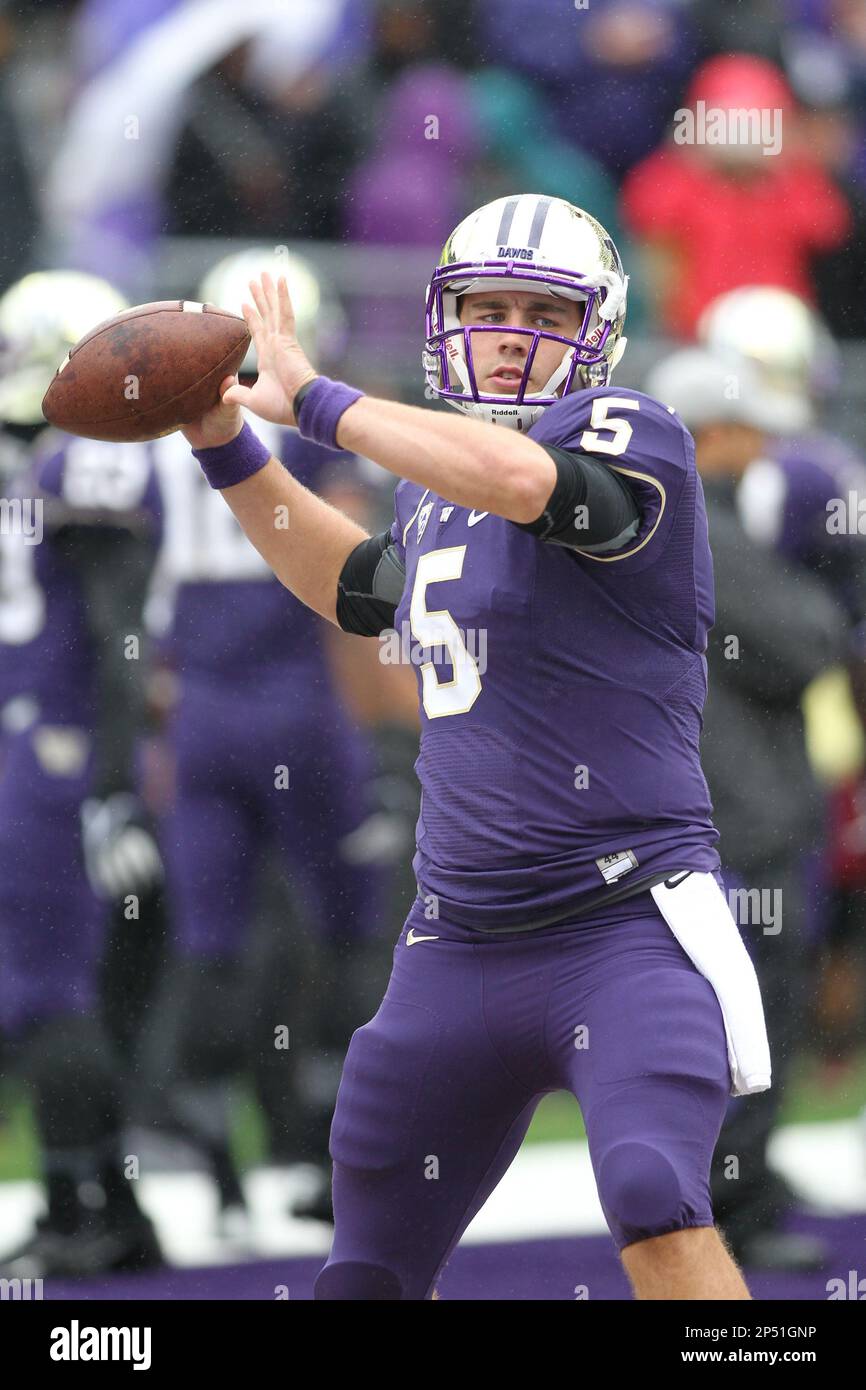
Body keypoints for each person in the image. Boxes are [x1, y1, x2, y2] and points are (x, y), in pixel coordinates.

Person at [177, 194, 768, 1300]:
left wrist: (317, 398)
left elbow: (525, 483)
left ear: (596, 328)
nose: (506, 331)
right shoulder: (429, 487)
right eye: (486, 306)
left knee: (653, 1198)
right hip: (457, 940)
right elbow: (357, 593)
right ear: (445, 317)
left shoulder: (631, 429)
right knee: (364, 1273)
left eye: (537, 308)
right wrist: (227, 446)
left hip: (624, 921)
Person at [143, 248, 385, 1228]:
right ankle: (339, 1162)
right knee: (346, 925)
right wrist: (388, 733)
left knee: (211, 944)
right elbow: (356, 592)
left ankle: (215, 1172)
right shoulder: (316, 431)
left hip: (197, 709)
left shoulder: (154, 437)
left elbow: (140, 603)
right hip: (299, 702)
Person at [644, 344, 851, 1271]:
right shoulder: (700, 524)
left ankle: (732, 1187)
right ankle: (735, 1203)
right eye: (751, 435)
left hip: (706, 802)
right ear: (715, 434)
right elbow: (807, 643)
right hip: (737, 810)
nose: (765, 452)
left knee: (729, 1017)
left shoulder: (657, 518)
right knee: (748, 1016)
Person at [0, 271, 164, 1277]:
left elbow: (121, 644)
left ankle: (81, 1213)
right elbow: (118, 641)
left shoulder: (60, 466)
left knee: (46, 994)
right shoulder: (57, 466)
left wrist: (110, 783)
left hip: (43, 755)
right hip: (46, 747)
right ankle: (108, 1207)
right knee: (47, 992)